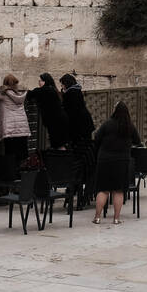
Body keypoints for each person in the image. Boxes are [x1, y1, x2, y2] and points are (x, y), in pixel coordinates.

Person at [92, 101, 141, 225]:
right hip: (122, 161)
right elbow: (138, 141)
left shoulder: (107, 124)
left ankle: (97, 217)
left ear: (115, 111)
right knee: (118, 191)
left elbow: (96, 138)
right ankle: (116, 218)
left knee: (103, 190)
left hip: (105, 160)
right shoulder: (130, 126)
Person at [60, 73, 96, 208]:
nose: (62, 87)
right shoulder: (77, 91)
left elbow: (69, 114)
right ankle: (83, 188)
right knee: (85, 155)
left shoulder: (70, 94)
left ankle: (76, 186)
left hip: (78, 131)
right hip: (85, 127)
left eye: (62, 84)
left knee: (78, 159)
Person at [0, 75, 30, 170]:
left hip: (10, 129)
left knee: (10, 153)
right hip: (22, 128)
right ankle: (21, 176)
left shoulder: (3, 94)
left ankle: (12, 174)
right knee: (22, 153)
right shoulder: (20, 94)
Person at [28, 72, 69, 150]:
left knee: (58, 144)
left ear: (45, 81)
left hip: (55, 121)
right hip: (61, 119)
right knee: (60, 144)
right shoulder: (53, 89)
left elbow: (30, 94)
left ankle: (62, 161)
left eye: (40, 81)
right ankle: (62, 160)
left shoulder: (44, 90)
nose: (39, 82)